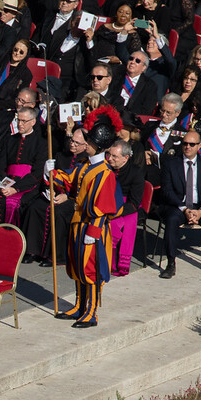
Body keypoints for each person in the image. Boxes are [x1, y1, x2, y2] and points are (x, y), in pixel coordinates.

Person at [50, 112, 123, 325]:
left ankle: (91, 312)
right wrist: (53, 173)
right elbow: (71, 182)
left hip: (92, 228)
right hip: (77, 223)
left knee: (90, 269)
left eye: (90, 142)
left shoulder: (105, 173)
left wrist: (93, 232)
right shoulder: (84, 164)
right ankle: (80, 305)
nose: (87, 144)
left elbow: (103, 208)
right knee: (77, 267)